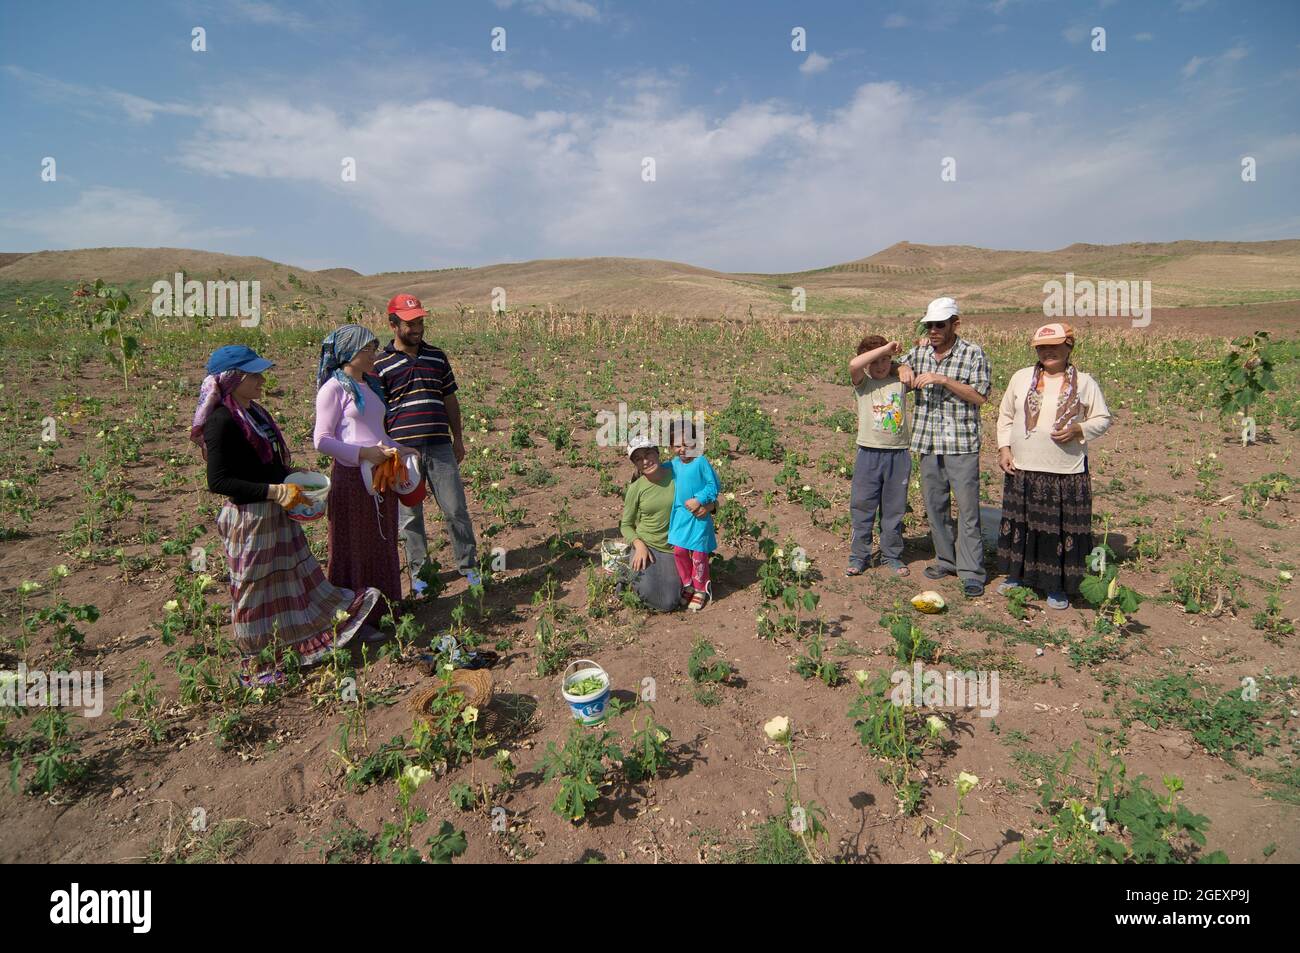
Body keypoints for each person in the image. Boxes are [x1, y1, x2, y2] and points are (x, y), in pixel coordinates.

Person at [192, 345, 380, 685]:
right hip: (250, 519)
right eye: (255, 375)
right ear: (234, 379)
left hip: (276, 511)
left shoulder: (255, 413)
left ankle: (315, 638)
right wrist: (272, 490)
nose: (262, 380)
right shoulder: (221, 421)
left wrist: (290, 476)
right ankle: (258, 664)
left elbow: (266, 464)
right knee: (254, 591)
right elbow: (219, 480)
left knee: (296, 579)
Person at [996, 323, 1112, 609]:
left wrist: (1078, 430)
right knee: (1023, 524)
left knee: (1059, 531)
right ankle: (1017, 576)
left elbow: (1103, 418)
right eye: (1042, 347)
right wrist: (1004, 447)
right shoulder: (1021, 378)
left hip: (1066, 471)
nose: (1047, 352)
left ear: (1069, 347)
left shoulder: (1084, 383)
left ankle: (1056, 586)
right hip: (1024, 467)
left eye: (1054, 346)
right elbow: (1006, 416)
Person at [373, 293, 480, 595]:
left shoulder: (437, 356)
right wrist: (385, 452)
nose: (417, 327)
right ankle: (420, 576)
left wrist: (457, 438)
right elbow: (378, 412)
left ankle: (469, 566)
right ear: (393, 324)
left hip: (439, 446)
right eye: (410, 323)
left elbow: (450, 399)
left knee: (456, 508)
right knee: (410, 518)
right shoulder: (379, 364)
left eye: (420, 321)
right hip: (402, 454)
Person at [314, 324, 416, 634]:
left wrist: (401, 449)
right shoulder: (333, 389)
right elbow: (321, 440)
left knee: (381, 542)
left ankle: (385, 610)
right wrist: (363, 454)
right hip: (353, 478)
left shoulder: (368, 387)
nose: (373, 355)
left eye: (372, 349)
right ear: (348, 354)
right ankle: (356, 619)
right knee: (356, 546)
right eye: (366, 350)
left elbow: (378, 434)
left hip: (379, 475)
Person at [898, 296, 992, 597]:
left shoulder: (973, 353)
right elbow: (901, 367)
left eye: (940, 325)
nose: (933, 330)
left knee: (967, 510)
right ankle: (945, 560)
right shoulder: (919, 352)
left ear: (955, 324)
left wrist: (943, 380)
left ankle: (971, 571)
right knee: (935, 507)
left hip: (961, 443)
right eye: (929, 325)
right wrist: (902, 369)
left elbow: (979, 396)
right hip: (928, 442)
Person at [847, 335, 912, 577]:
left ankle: (891, 555)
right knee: (862, 507)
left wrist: (901, 365)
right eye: (876, 361)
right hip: (868, 454)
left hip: (898, 454)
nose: (881, 365)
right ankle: (859, 556)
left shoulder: (899, 381)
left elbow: (912, 372)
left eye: (886, 360)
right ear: (867, 363)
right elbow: (854, 365)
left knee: (894, 509)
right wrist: (886, 348)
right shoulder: (863, 384)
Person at [619, 437, 682, 612]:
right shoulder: (636, 488)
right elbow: (626, 525)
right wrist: (639, 545)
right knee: (649, 595)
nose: (645, 461)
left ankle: (629, 570)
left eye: (648, 454)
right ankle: (625, 571)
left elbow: (705, 492)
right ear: (635, 464)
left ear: (657, 452)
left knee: (670, 601)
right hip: (647, 545)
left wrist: (710, 505)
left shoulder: (678, 476)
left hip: (675, 547)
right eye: (638, 459)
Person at [666, 418, 720, 611]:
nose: (682, 449)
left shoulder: (701, 461)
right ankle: (687, 583)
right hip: (681, 516)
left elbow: (714, 485)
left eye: (687, 444)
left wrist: (699, 499)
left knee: (698, 555)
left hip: (699, 516)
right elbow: (660, 473)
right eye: (677, 445)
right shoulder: (673, 464)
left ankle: (700, 589)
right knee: (679, 551)